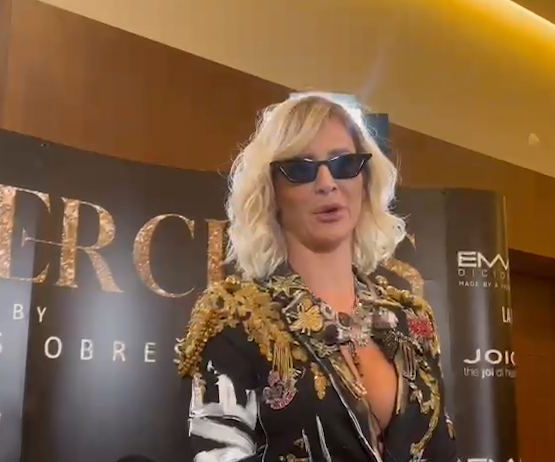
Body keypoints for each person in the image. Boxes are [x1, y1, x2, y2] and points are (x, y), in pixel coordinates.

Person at [177, 92, 457, 462]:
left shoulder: (412, 319)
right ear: (272, 191)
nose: (327, 182)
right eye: (302, 169)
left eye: (344, 164)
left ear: (364, 180)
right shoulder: (235, 316)